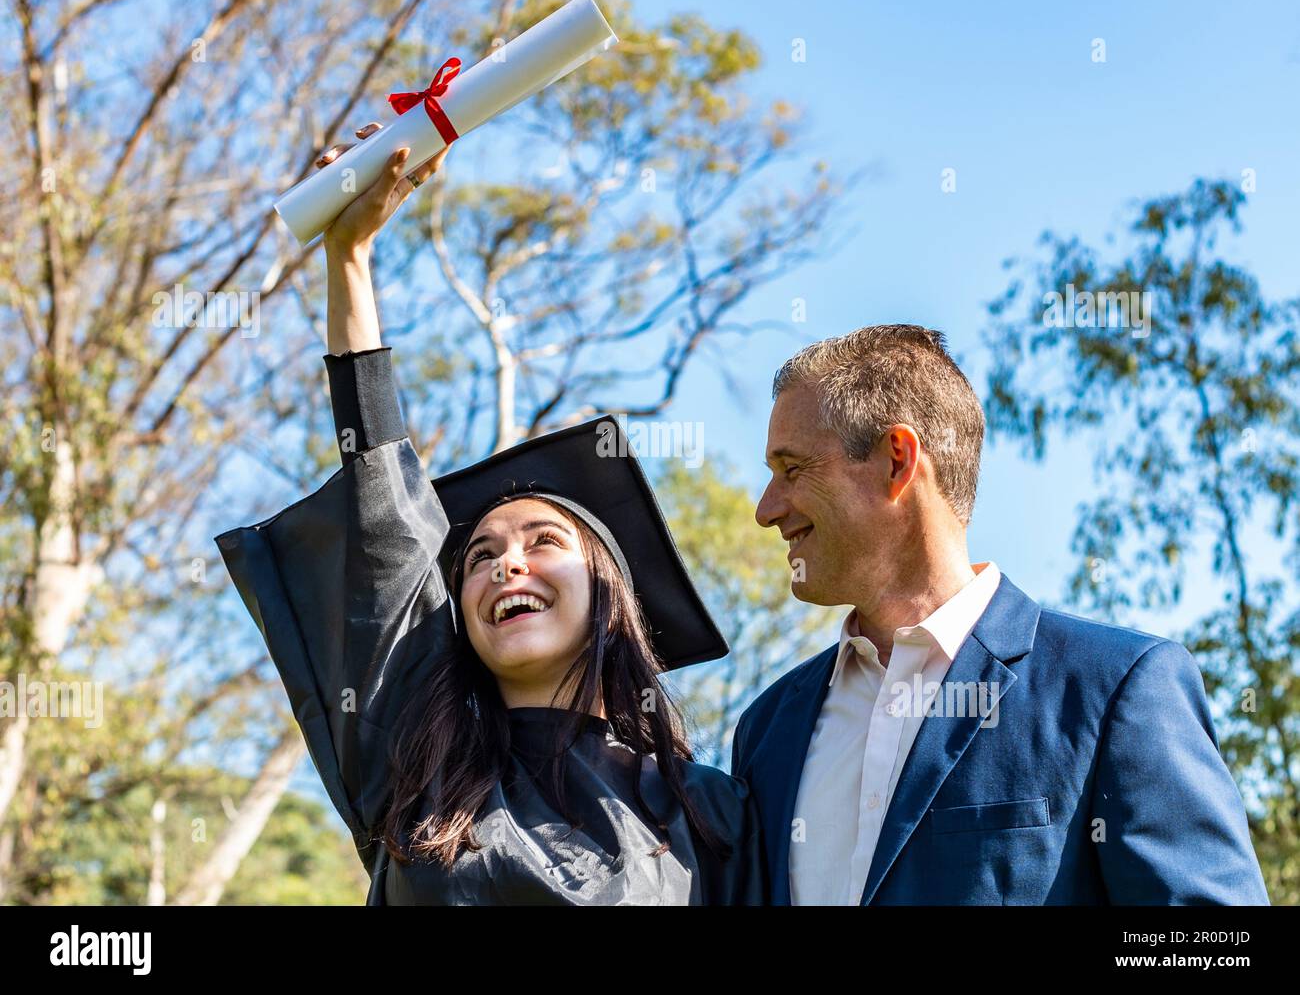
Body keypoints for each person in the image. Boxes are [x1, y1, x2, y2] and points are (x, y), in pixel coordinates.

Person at [216, 124, 764, 905]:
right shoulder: (417, 760)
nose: (506, 560)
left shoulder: (707, 812)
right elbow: (382, 502)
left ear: (610, 592)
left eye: (545, 541)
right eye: (478, 556)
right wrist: (350, 258)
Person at [731, 324, 1270, 905]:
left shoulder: (1117, 688)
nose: (767, 509)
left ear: (897, 459)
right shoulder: (765, 732)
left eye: (792, 469)